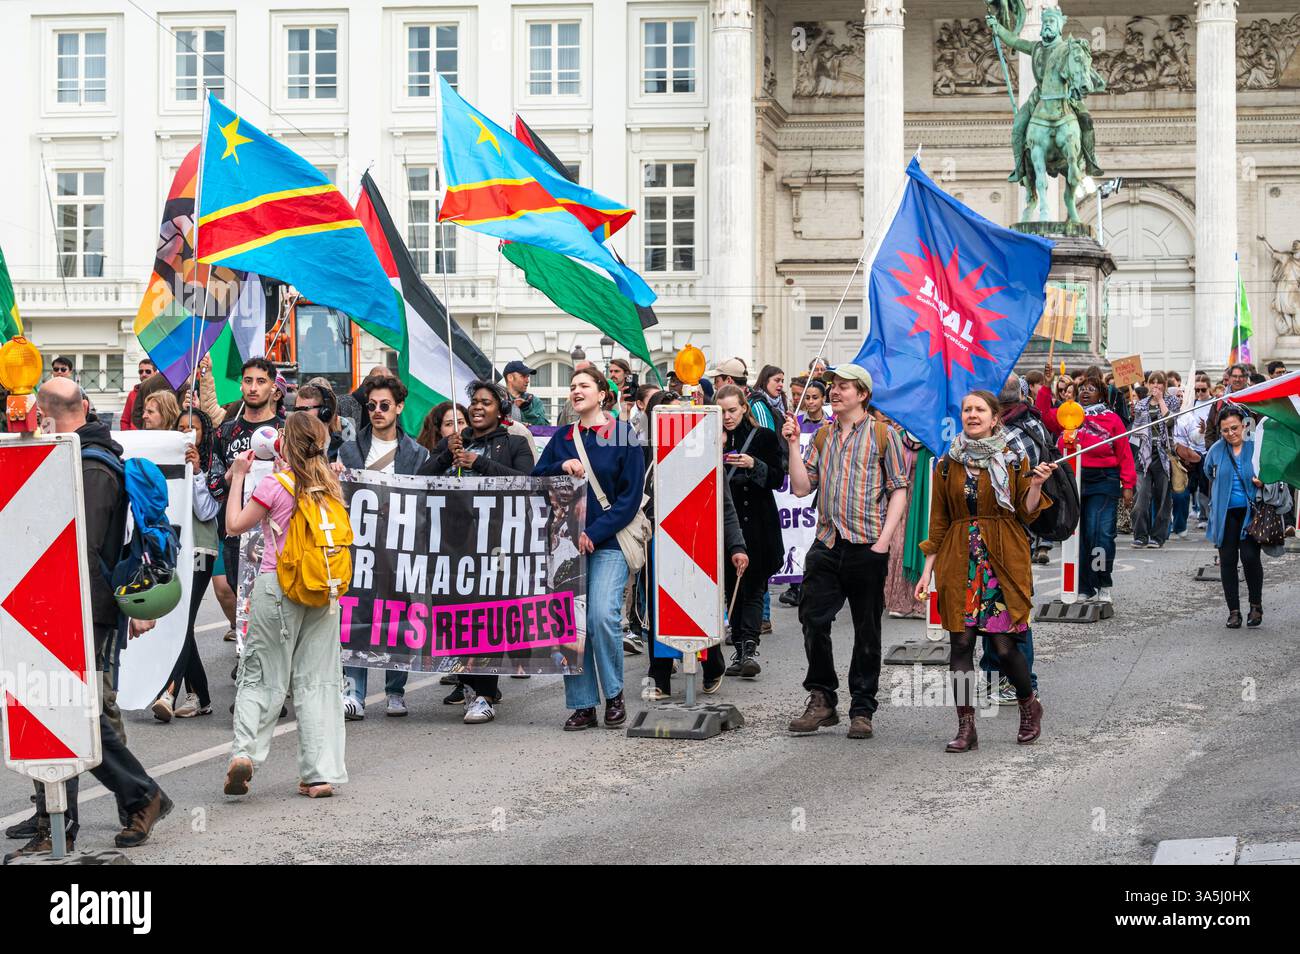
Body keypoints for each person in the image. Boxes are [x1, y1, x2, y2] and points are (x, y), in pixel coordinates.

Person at [8, 379, 171, 859]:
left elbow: (85, 550)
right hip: (56, 607)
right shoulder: (69, 455)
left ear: (45, 414)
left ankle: (135, 798)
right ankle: (56, 817)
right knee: (51, 710)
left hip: (80, 610)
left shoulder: (92, 465)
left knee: (79, 716)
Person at [913, 390, 1054, 753]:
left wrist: (1036, 484)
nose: (972, 415)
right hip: (959, 561)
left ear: (995, 418)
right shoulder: (947, 463)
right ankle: (966, 727)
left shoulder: (1011, 458)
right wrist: (926, 572)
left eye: (979, 410)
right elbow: (939, 521)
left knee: (1005, 647)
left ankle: (1029, 706)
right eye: (966, 410)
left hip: (1001, 560)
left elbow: (1026, 511)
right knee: (959, 645)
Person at [222, 412, 349, 799]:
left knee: (263, 673)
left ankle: (246, 753)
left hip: (277, 585)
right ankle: (318, 774)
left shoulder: (276, 486)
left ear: (284, 445)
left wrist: (240, 476)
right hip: (323, 589)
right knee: (318, 681)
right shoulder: (331, 485)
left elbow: (234, 525)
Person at [781, 364, 909, 740]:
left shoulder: (886, 436)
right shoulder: (822, 436)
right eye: (833, 386)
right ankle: (822, 698)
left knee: (866, 630)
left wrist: (884, 540)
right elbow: (803, 488)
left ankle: (862, 708)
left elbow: (899, 490)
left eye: (844, 387)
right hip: (828, 542)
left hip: (868, 545)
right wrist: (792, 444)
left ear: (863, 395)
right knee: (813, 618)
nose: (835, 392)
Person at [533, 366, 644, 730]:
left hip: (609, 543)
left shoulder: (622, 435)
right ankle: (582, 703)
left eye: (584, 385)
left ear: (602, 394)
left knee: (600, 617)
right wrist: (559, 464)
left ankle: (613, 694)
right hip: (567, 546)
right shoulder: (563, 437)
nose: (575, 391)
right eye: (572, 386)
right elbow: (535, 479)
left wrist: (594, 532)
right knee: (571, 623)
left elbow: (629, 499)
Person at [419, 381, 532, 720]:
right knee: (453, 619)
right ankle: (471, 686)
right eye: (473, 402)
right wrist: (444, 455)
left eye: (485, 402)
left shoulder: (514, 444)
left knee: (487, 618)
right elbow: (417, 479)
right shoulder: (451, 444)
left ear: (501, 409)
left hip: (495, 546)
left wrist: (478, 463)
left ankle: (483, 692)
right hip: (453, 545)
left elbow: (526, 481)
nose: (477, 408)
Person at [642, 390, 748, 697]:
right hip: (659, 542)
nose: (678, 421)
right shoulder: (644, 456)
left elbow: (724, 506)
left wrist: (737, 547)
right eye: (669, 415)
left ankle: (712, 662)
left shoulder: (703, 453)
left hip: (699, 541)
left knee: (701, 603)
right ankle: (659, 675)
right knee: (661, 608)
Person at [338, 377, 430, 719]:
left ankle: (395, 690)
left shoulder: (418, 453)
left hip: (401, 546)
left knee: (400, 614)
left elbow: (428, 499)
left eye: (384, 405)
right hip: (360, 546)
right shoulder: (348, 451)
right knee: (357, 614)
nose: (377, 411)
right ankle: (355, 692)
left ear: (399, 407)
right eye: (371, 405)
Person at [151, 407, 220, 723]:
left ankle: (168, 691)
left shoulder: (211, 464)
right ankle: (201, 696)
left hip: (200, 550)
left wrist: (195, 473)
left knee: (182, 618)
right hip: (173, 550)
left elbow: (206, 511)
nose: (187, 433)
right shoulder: (167, 461)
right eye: (181, 427)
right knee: (180, 622)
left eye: (193, 428)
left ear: (203, 433)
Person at [716, 385, 783, 678]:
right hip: (727, 527)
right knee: (732, 588)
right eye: (722, 411)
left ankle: (747, 651)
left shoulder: (765, 437)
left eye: (732, 410)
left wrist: (753, 464)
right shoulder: (710, 439)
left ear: (744, 407)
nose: (728, 417)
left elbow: (778, 479)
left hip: (758, 523)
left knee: (754, 587)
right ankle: (740, 648)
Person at [207, 358, 285, 596]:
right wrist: (233, 474)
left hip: (280, 535)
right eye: (248, 381)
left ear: (273, 388)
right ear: (241, 385)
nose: (253, 387)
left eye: (261, 381)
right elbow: (215, 489)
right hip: (237, 535)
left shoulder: (287, 430)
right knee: (244, 606)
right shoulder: (225, 432)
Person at [1067, 376, 1135, 604]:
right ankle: (1085, 586)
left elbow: (1125, 454)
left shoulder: (1112, 420)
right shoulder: (1070, 418)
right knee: (1082, 537)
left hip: (1104, 481)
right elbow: (1059, 444)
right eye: (1082, 389)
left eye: (1092, 389)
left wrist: (1128, 485)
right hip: (1076, 481)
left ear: (1102, 395)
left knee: (1101, 535)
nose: (1086, 392)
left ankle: (1103, 581)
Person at [1203, 409, 1266, 628]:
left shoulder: (1255, 447)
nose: (1230, 433)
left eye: (1234, 428)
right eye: (1225, 430)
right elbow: (1207, 472)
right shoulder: (1216, 450)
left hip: (1250, 512)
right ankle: (1234, 612)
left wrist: (1262, 481)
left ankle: (1255, 606)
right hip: (1225, 513)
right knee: (1228, 561)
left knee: (1249, 558)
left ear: (1244, 426)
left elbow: (1267, 471)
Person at [1130, 370, 1181, 548]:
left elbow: (1171, 422)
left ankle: (1158, 536)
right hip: (1144, 455)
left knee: (1162, 498)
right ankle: (1140, 535)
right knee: (1141, 499)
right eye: (1153, 382)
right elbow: (1136, 431)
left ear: (1164, 385)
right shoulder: (1141, 404)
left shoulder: (1172, 401)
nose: (1156, 386)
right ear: (1148, 384)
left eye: (1159, 383)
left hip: (1163, 455)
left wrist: (1160, 401)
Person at [883, 422, 927, 620]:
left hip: (926, 497)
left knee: (923, 545)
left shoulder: (934, 436)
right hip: (900, 498)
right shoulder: (897, 436)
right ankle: (900, 601)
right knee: (898, 544)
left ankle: (922, 601)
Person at [295, 381, 344, 460]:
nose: (298, 415)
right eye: (296, 409)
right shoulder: (292, 447)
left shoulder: (344, 451)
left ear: (325, 413)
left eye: (304, 409)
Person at [504, 360, 549, 426]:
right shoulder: (497, 400)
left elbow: (544, 428)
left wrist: (527, 410)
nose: (528, 381)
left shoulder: (534, 401)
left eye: (528, 376)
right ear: (510, 377)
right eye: (523, 376)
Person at [118, 358, 156, 431]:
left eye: (148, 371)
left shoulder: (161, 394)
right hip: (134, 437)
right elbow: (124, 421)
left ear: (155, 373)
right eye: (141, 371)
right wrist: (127, 436)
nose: (144, 374)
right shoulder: (132, 394)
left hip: (154, 436)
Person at [751, 365, 786, 430]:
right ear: (765, 381)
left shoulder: (783, 402)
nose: (781, 384)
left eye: (782, 381)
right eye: (777, 380)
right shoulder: (758, 403)